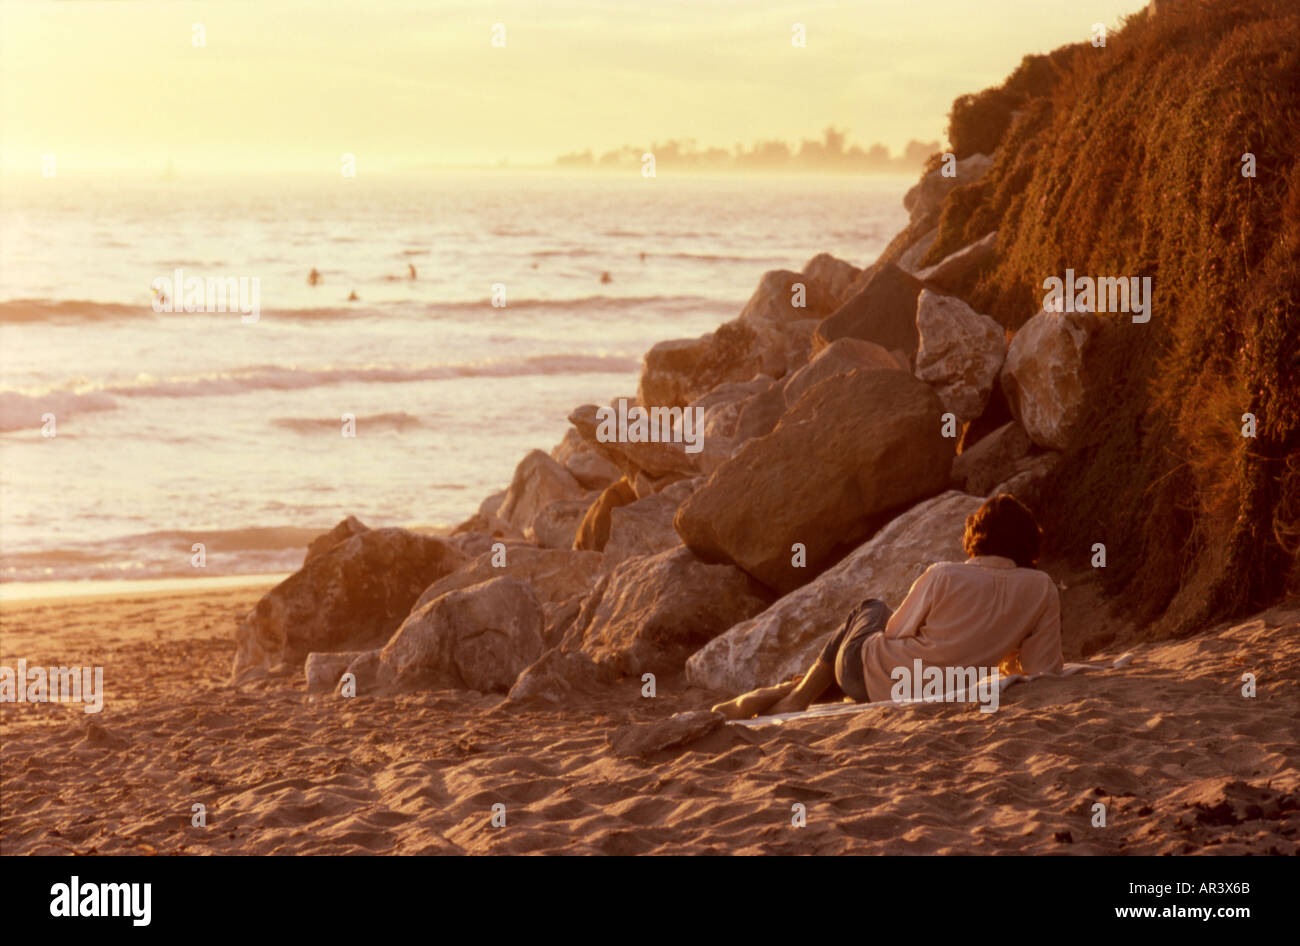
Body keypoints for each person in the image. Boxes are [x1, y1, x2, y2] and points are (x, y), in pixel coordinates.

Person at [712, 493, 1064, 720]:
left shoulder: (943, 574)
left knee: (871, 609)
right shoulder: (1041, 588)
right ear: (1028, 541)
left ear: (978, 536)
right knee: (876, 660)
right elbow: (1040, 668)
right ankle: (783, 692)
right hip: (936, 686)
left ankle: (794, 694)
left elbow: (894, 632)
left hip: (872, 678)